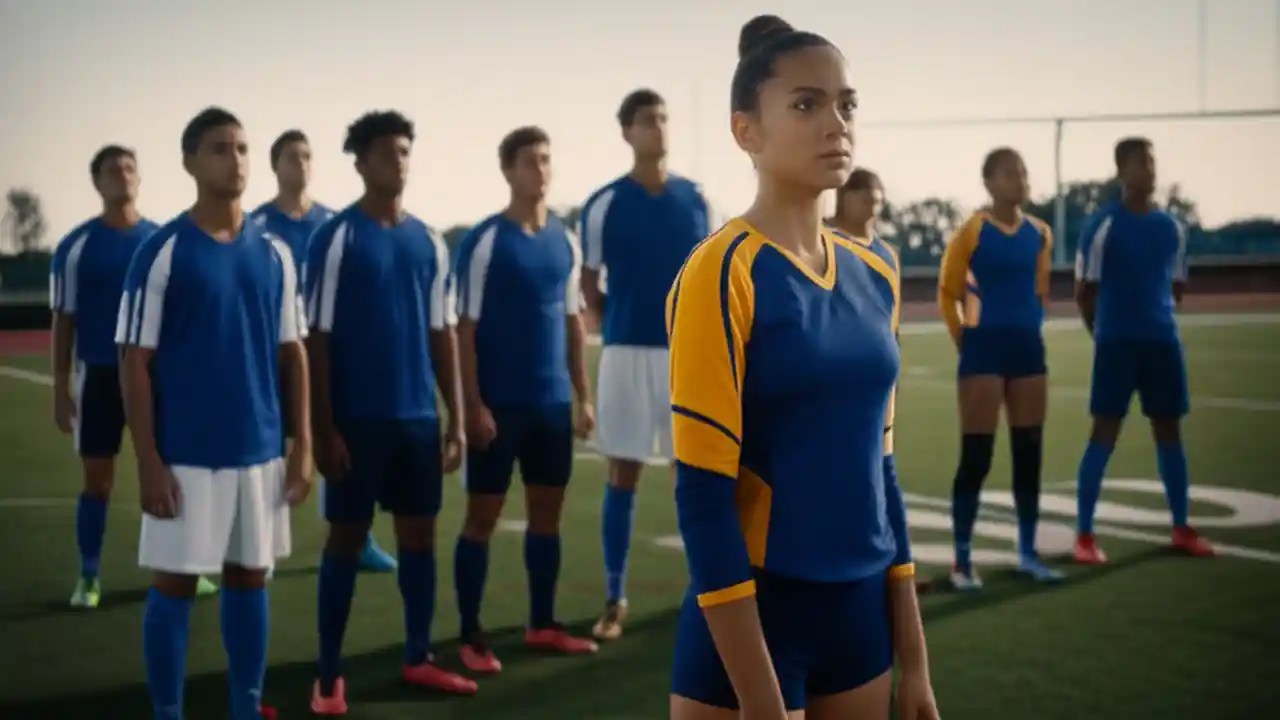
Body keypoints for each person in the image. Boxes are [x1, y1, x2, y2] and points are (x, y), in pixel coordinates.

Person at [667, 16, 939, 719]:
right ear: (745, 131)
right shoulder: (721, 272)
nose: (835, 123)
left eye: (846, 103)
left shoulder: (876, 273)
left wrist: (915, 663)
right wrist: (760, 704)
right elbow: (703, 501)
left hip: (859, 623)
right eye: (805, 104)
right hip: (755, 623)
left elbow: (882, 470)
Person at [116, 106, 309, 720]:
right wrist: (148, 461)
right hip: (187, 454)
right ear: (190, 162)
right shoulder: (161, 251)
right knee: (173, 587)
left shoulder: (276, 253)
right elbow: (132, 362)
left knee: (251, 579)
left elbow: (293, 353)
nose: (237, 160)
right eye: (221, 149)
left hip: (259, 452)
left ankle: (244, 707)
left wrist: (300, 443)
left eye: (243, 148)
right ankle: (168, 712)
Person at [306, 110, 473, 715]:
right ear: (360, 162)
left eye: (405, 151)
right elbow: (315, 339)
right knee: (346, 542)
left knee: (420, 538)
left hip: (416, 422)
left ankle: (419, 656)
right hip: (356, 422)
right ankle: (328, 676)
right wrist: (323, 429)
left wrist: (455, 415)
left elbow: (442, 333)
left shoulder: (428, 240)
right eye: (385, 153)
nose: (397, 162)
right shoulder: (337, 237)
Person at [451, 126, 599, 674]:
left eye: (546, 160)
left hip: (550, 406)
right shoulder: (486, 241)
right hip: (498, 408)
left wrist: (582, 396)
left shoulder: (565, 241)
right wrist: (472, 406)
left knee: (546, 518)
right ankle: (470, 635)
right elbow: (463, 328)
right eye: (530, 162)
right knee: (480, 520)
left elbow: (571, 324)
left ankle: (542, 623)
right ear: (508, 171)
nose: (541, 170)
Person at [49, 146, 221, 608]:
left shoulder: (165, 241)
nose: (121, 175)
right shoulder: (75, 247)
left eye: (129, 168)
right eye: (111, 169)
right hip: (102, 378)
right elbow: (63, 321)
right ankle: (89, 576)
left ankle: (184, 568)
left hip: (159, 379)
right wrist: (61, 389)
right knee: (98, 481)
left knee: (172, 474)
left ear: (139, 180)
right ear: (97, 182)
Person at [579, 87, 717, 641]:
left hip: (688, 355)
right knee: (624, 471)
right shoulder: (604, 202)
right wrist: (621, 323)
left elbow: (713, 273)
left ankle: (706, 592)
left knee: (695, 475)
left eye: (662, 117)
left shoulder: (699, 198)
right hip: (626, 354)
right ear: (626, 132)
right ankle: (615, 596)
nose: (657, 126)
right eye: (645, 119)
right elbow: (589, 282)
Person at [251, 129, 396, 573]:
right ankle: (263, 547)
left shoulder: (337, 225)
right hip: (275, 355)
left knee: (342, 442)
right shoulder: (255, 226)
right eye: (292, 156)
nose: (301, 163)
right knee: (273, 449)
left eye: (308, 155)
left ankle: (358, 538)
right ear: (275, 166)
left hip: (329, 355)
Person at [1073, 137, 1215, 564]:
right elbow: (1084, 292)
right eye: (1139, 163)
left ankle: (1181, 526)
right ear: (1121, 172)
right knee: (1104, 433)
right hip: (1116, 345)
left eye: (1152, 162)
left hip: (1162, 344)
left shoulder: (1172, 227)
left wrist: (1158, 320)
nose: (1149, 170)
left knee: (1169, 431)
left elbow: (1177, 286)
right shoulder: (1103, 225)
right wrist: (1102, 334)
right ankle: (1084, 535)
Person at [936, 148, 1062, 589]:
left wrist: (1031, 325)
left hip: (1027, 350)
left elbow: (1040, 290)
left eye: (1024, 173)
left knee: (1029, 453)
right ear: (989, 183)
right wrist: (966, 339)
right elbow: (948, 291)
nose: (1021, 180)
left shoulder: (1040, 233)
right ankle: (962, 561)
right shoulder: (973, 231)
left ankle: (1028, 553)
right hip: (983, 351)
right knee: (978, 456)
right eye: (1011, 174)